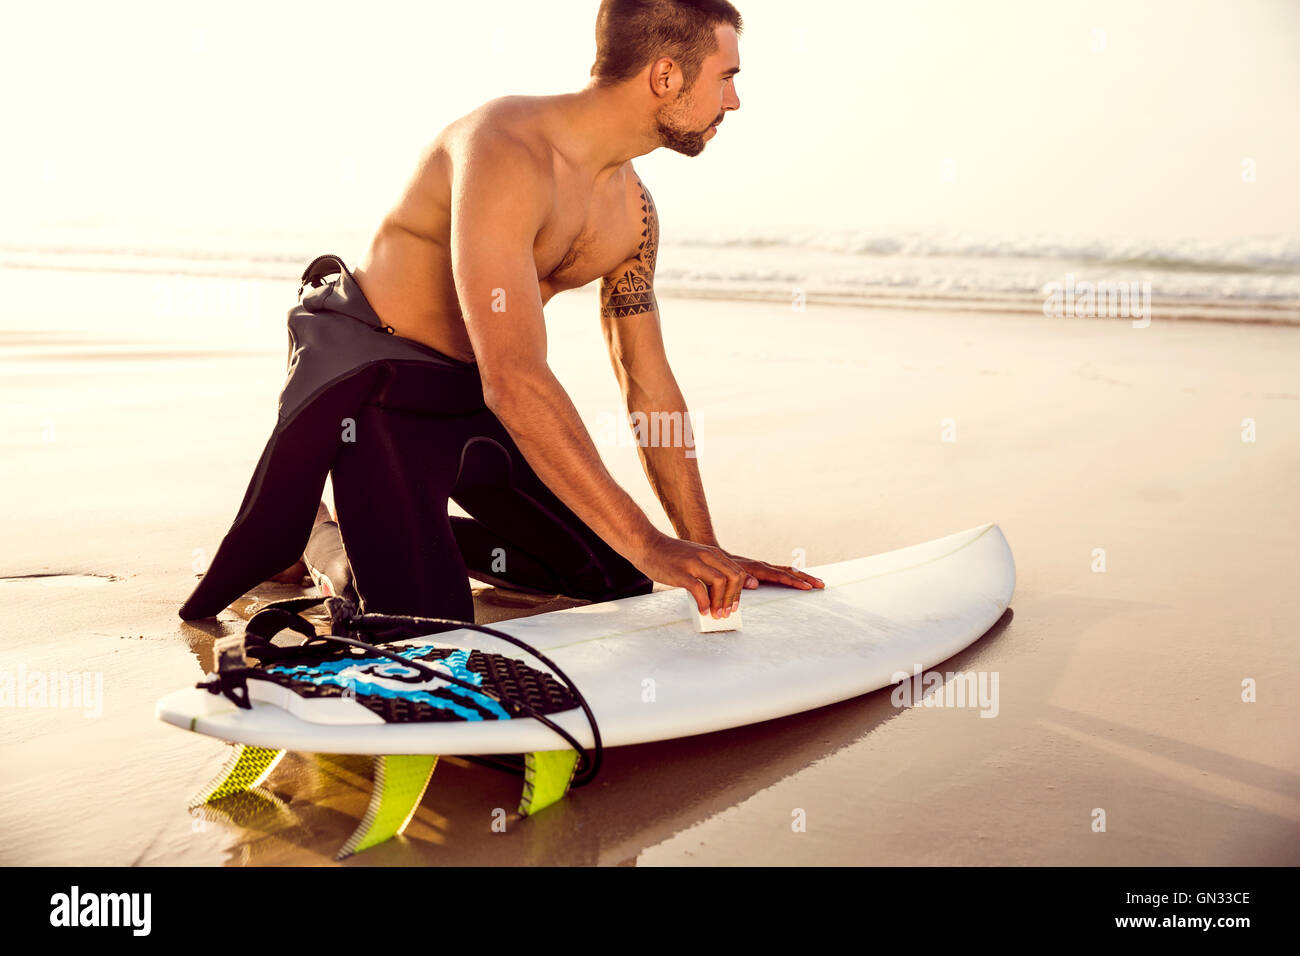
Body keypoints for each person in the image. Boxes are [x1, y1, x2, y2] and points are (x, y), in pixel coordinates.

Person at [181, 0, 823, 625]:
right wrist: (653, 542)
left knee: (617, 578)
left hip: (480, 401)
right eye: (727, 77)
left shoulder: (636, 214)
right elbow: (514, 376)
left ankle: (403, 532)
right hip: (386, 394)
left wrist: (702, 550)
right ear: (666, 75)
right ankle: (328, 539)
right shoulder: (504, 148)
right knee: (421, 629)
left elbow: (647, 383)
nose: (734, 101)